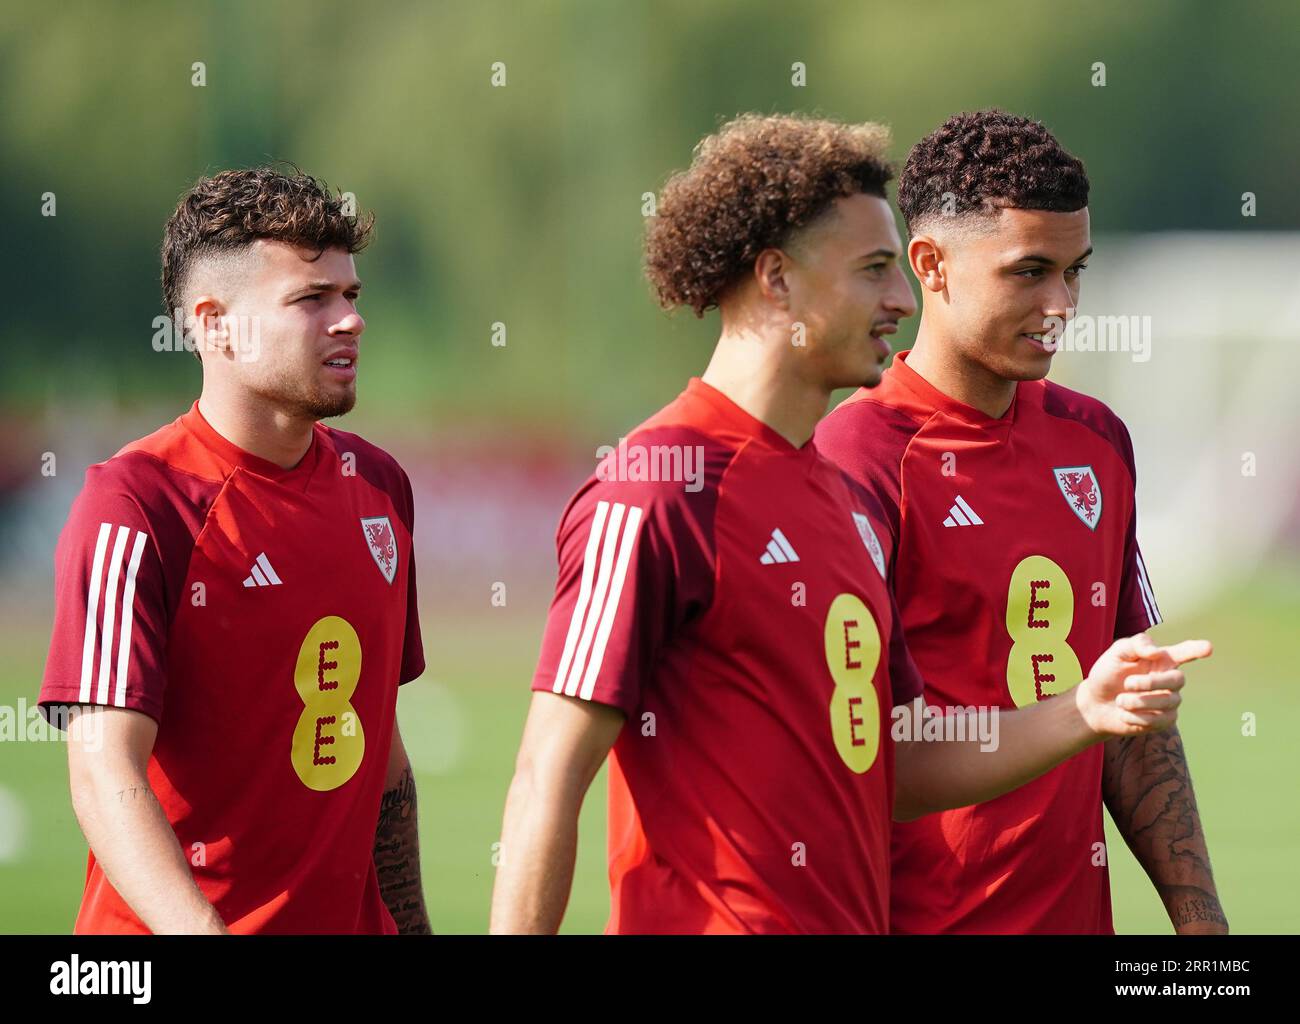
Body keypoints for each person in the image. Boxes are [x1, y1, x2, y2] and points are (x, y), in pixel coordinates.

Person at [489, 114, 1210, 934]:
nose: (900, 299)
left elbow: (896, 759)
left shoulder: (824, 492)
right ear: (777, 280)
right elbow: (547, 776)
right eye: (873, 271)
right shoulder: (657, 488)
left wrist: (1083, 710)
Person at [817, 109, 1226, 934]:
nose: (1062, 303)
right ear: (930, 264)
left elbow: (1129, 715)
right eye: (1029, 271)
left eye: (1076, 271)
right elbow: (856, 753)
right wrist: (1076, 714)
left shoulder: (1096, 441)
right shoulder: (855, 455)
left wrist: (1201, 922)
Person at [38, 168, 430, 934]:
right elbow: (102, 768)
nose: (348, 320)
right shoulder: (136, 506)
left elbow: (380, 750)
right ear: (216, 325)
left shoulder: (381, 487)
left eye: (350, 296)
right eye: (311, 300)